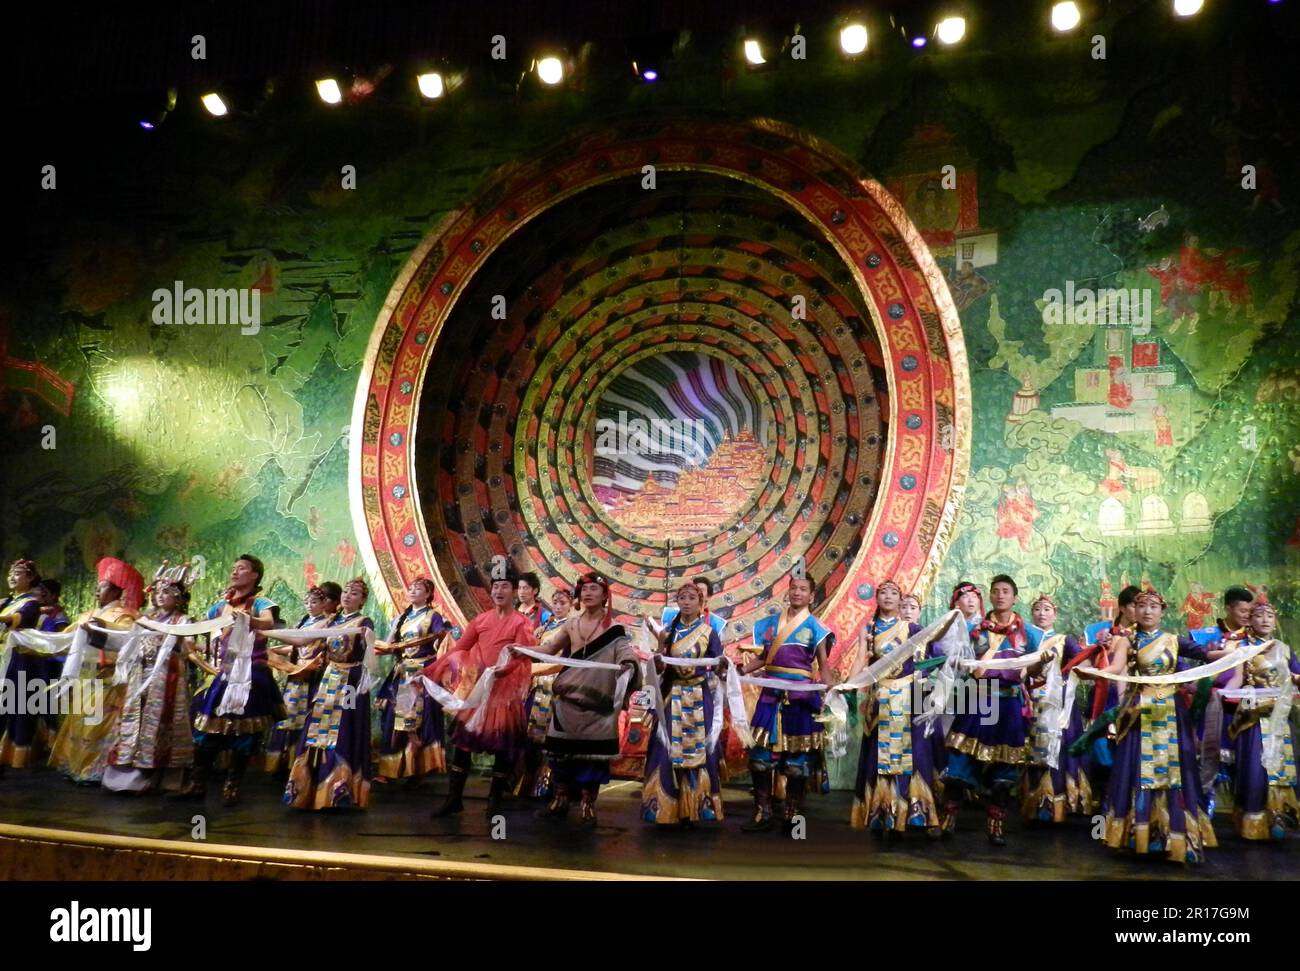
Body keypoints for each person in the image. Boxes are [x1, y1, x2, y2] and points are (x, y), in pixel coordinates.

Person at [1091, 588, 1219, 862]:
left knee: (1179, 771)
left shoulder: (1174, 640)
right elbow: (1115, 669)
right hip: (1139, 714)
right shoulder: (1128, 640)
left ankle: (1176, 835)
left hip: (1172, 714)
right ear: (1133, 610)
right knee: (1137, 770)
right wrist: (1091, 672)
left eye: (1153, 606)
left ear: (1162, 611)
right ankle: (1140, 835)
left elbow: (1206, 656)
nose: (1147, 611)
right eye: (1142, 606)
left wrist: (1240, 654)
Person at [424, 559, 534, 820]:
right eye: (495, 586)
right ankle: (454, 799)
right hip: (478, 692)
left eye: (505, 586)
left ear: (514, 591)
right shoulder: (481, 619)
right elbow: (459, 648)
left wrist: (500, 671)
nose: (498, 591)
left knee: (501, 748)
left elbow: (522, 655)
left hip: (503, 694)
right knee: (463, 745)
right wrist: (432, 670)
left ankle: (495, 802)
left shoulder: (521, 622)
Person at [174, 554, 285, 806]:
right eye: (233, 568)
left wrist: (246, 619)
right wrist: (184, 635)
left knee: (244, 733)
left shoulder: (260, 602)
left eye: (242, 569)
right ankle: (197, 783)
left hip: (250, 674)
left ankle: (232, 787)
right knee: (206, 728)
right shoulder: (221, 605)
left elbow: (267, 623)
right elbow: (203, 627)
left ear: (254, 575)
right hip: (225, 673)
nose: (235, 572)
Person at [530, 572, 641, 827]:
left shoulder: (613, 629)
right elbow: (549, 650)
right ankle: (559, 801)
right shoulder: (570, 624)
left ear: (604, 595)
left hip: (598, 705)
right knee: (560, 756)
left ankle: (588, 805)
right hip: (568, 700)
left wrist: (627, 665)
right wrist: (520, 649)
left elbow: (626, 653)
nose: (588, 593)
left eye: (594, 588)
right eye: (584, 589)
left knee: (593, 760)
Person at [736, 558, 834, 833]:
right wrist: (739, 671)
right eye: (793, 588)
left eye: (803, 589)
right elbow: (766, 658)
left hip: (800, 699)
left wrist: (831, 692)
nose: (797, 593)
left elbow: (824, 666)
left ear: (811, 595)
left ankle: (793, 816)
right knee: (759, 760)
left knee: (796, 765)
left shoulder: (817, 628)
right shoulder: (771, 624)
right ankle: (762, 812)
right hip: (770, 694)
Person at [849, 580, 944, 838]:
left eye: (894, 593)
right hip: (879, 699)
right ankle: (882, 814)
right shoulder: (868, 628)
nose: (888, 596)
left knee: (908, 759)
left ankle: (909, 813)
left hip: (907, 701)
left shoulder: (913, 629)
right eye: (883, 592)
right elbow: (861, 659)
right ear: (876, 598)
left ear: (900, 600)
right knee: (877, 759)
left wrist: (919, 681)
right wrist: (847, 685)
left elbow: (936, 659)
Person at [941, 574, 1030, 846]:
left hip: (1009, 704)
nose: (1000, 595)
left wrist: (1041, 663)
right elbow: (958, 661)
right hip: (978, 699)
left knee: (1004, 769)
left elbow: (1034, 670)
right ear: (989, 597)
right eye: (995, 591)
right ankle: (948, 819)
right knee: (959, 759)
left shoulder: (1028, 633)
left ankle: (995, 824)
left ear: (1015, 597)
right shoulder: (975, 629)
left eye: (1006, 591)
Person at [49, 558, 145, 784]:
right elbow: (66, 639)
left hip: (108, 679)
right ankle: (75, 766)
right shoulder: (87, 614)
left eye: (102, 585)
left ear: (115, 590)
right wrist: (34, 641)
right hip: (86, 678)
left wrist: (101, 628)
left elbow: (126, 637)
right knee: (81, 723)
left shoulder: (125, 616)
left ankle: (96, 770)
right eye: (98, 584)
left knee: (99, 726)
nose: (97, 589)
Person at [102, 565, 198, 793]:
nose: (160, 596)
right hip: (140, 674)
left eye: (167, 592)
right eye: (158, 591)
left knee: (160, 721)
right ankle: (127, 769)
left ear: (178, 597)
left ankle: (160, 774)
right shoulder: (145, 618)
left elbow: (188, 646)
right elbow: (129, 642)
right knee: (134, 718)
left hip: (166, 677)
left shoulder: (182, 620)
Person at [283, 577, 375, 810]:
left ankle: (338, 791)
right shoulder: (331, 620)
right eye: (346, 591)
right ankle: (308, 790)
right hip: (327, 682)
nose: (347, 596)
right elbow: (300, 639)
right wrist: (264, 633)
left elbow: (371, 657)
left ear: (362, 601)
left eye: (354, 594)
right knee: (314, 733)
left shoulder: (364, 622)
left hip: (350, 683)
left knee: (344, 731)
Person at [641, 580, 727, 826]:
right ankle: (664, 807)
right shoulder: (669, 632)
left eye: (692, 598)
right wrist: (657, 656)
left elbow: (717, 664)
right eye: (683, 598)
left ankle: (700, 807)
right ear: (677, 602)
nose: (687, 602)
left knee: (702, 750)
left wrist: (723, 669)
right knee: (665, 748)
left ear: (701, 604)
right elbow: (660, 666)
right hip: (672, 695)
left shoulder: (709, 633)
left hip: (700, 696)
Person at [1225, 600, 1299, 840]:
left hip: (1280, 717)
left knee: (1283, 767)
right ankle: (1256, 821)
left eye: (1270, 616)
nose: (1266, 620)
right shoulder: (1243, 648)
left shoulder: (1284, 648)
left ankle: (1279, 816)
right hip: (1255, 718)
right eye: (1259, 616)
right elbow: (1236, 680)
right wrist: (1222, 694)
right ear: (1250, 621)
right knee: (1257, 770)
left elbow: (1295, 675)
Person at [1021, 593, 1089, 822]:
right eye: (1038, 609)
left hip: (1058, 700)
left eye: (1047, 609)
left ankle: (1059, 803)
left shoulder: (1063, 639)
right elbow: (1022, 669)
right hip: (1033, 699)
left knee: (1058, 748)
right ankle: (1036, 802)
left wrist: (1063, 674)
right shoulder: (1027, 638)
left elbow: (1081, 661)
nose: (1042, 613)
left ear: (1055, 614)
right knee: (1035, 750)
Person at [375, 577, 449, 785]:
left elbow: (441, 645)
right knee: (393, 718)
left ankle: (416, 768)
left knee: (418, 721)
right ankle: (391, 767)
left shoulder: (433, 617)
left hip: (421, 673)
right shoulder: (402, 618)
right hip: (403, 672)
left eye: (418, 588)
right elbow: (389, 645)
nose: (413, 591)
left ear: (428, 594)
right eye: (410, 587)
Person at [264, 583, 339, 776]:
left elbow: (301, 640)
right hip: (296, 672)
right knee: (287, 716)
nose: (310, 605)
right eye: (307, 602)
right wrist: (273, 650)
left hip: (313, 674)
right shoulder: (305, 620)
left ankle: (298, 762)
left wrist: (264, 631)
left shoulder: (327, 623)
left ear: (324, 603)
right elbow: (294, 647)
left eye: (314, 602)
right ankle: (281, 761)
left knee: (305, 718)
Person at [519, 584, 572, 800]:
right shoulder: (548, 623)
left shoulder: (571, 626)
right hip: (539, 680)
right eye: (556, 603)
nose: (558, 607)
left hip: (557, 682)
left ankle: (548, 784)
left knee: (551, 735)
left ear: (571, 606)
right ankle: (527, 778)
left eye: (563, 603)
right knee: (530, 732)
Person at [0, 559, 48, 772]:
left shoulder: (31, 604)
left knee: (19, 708)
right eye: (11, 573)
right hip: (4, 659)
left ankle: (17, 760)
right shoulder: (7, 600)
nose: (12, 577)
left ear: (30, 578)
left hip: (20, 662)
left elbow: (17, 620)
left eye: (18, 573)